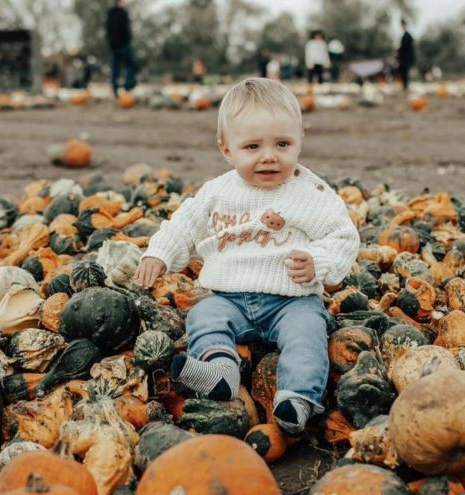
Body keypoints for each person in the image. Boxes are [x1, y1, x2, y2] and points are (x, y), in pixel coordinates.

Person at [133, 78, 360, 434]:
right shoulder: (218, 193)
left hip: (292, 301)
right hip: (230, 299)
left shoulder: (310, 193)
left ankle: (297, 396)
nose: (269, 156)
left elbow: (343, 236)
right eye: (252, 146)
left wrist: (318, 262)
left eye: (282, 144)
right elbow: (184, 226)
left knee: (308, 333)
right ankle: (220, 370)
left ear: (299, 141)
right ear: (227, 150)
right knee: (204, 315)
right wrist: (159, 254)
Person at [106, 0, 136, 97]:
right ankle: (128, 85)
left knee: (116, 67)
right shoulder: (123, 13)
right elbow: (125, 28)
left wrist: (111, 43)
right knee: (130, 64)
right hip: (123, 44)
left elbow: (108, 29)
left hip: (114, 46)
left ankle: (115, 89)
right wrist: (128, 39)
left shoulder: (110, 13)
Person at [397, 20, 415, 91]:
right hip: (403, 57)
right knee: (403, 72)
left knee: (405, 72)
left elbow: (407, 48)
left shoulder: (408, 36)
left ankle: (406, 86)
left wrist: (399, 50)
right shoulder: (404, 36)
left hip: (406, 57)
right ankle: (404, 86)